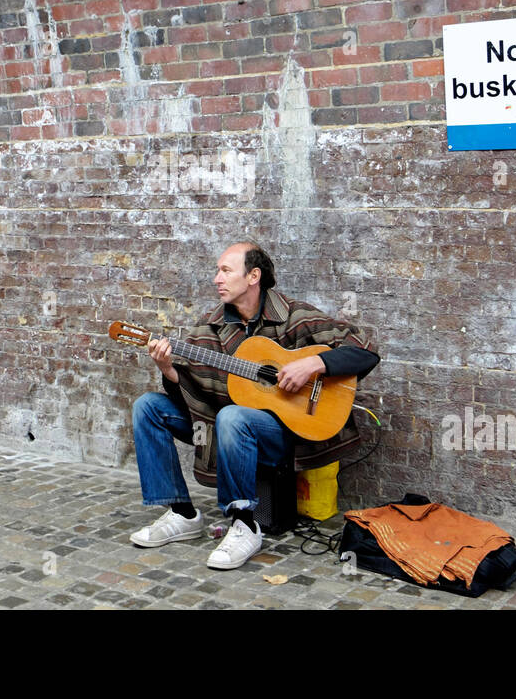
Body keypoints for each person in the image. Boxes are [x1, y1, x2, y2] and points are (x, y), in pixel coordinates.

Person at [130, 241, 380, 569]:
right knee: (148, 406)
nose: (216, 278)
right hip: (218, 426)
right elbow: (192, 398)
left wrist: (315, 364)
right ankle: (182, 514)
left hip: (287, 433)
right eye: (217, 271)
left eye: (226, 270)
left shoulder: (293, 315)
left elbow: (365, 349)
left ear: (253, 276)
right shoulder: (209, 328)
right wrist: (168, 370)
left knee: (234, 416)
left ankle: (245, 524)